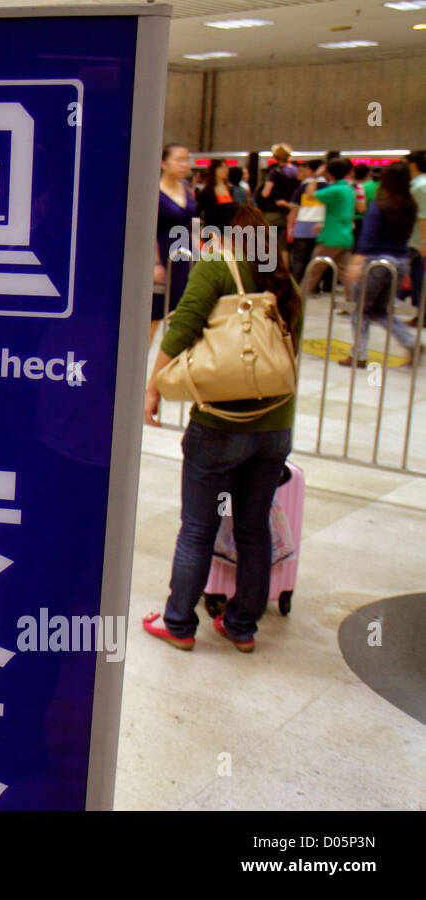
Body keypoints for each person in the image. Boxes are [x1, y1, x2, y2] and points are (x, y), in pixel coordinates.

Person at [143, 204, 304, 653]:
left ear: (219, 233)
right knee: (254, 527)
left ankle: (177, 623)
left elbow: (181, 331)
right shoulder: (281, 277)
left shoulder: (214, 267)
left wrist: (152, 388)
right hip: (275, 428)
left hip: (219, 426)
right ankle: (242, 626)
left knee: (197, 527)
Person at [340, 162, 421, 368]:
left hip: (375, 262)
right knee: (379, 309)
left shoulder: (379, 205)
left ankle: (358, 355)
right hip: (400, 261)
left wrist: (356, 263)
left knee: (360, 309)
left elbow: (368, 236)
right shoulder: (410, 206)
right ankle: (410, 341)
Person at [152, 144, 195, 347]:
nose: (184, 164)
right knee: (155, 315)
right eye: (179, 159)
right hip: (162, 255)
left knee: (181, 315)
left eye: (186, 159)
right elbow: (148, 229)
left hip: (185, 256)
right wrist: (155, 264)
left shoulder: (186, 188)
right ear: (163, 162)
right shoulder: (154, 190)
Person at [305, 157, 356, 304]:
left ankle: (298, 300)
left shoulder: (335, 190)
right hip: (345, 236)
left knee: (313, 271)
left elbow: (309, 195)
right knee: (346, 274)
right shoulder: (348, 189)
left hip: (331, 237)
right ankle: (353, 305)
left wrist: (314, 177)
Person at [255, 143, 297, 268]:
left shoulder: (275, 172)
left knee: (267, 243)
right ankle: (285, 271)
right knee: (283, 246)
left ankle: (269, 270)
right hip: (288, 213)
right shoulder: (294, 171)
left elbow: (266, 192)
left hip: (272, 212)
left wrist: (260, 194)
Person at [288, 159, 326, 291]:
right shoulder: (328, 186)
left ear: (310, 170)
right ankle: (314, 287)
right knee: (315, 260)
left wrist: (290, 227)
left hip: (302, 226)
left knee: (299, 260)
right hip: (321, 227)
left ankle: (295, 286)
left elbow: (294, 209)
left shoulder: (302, 187)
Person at [407, 150, 426, 324]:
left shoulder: (420, 186)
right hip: (415, 240)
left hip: (415, 241)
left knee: (418, 280)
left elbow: (423, 216)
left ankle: (422, 314)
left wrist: (423, 242)